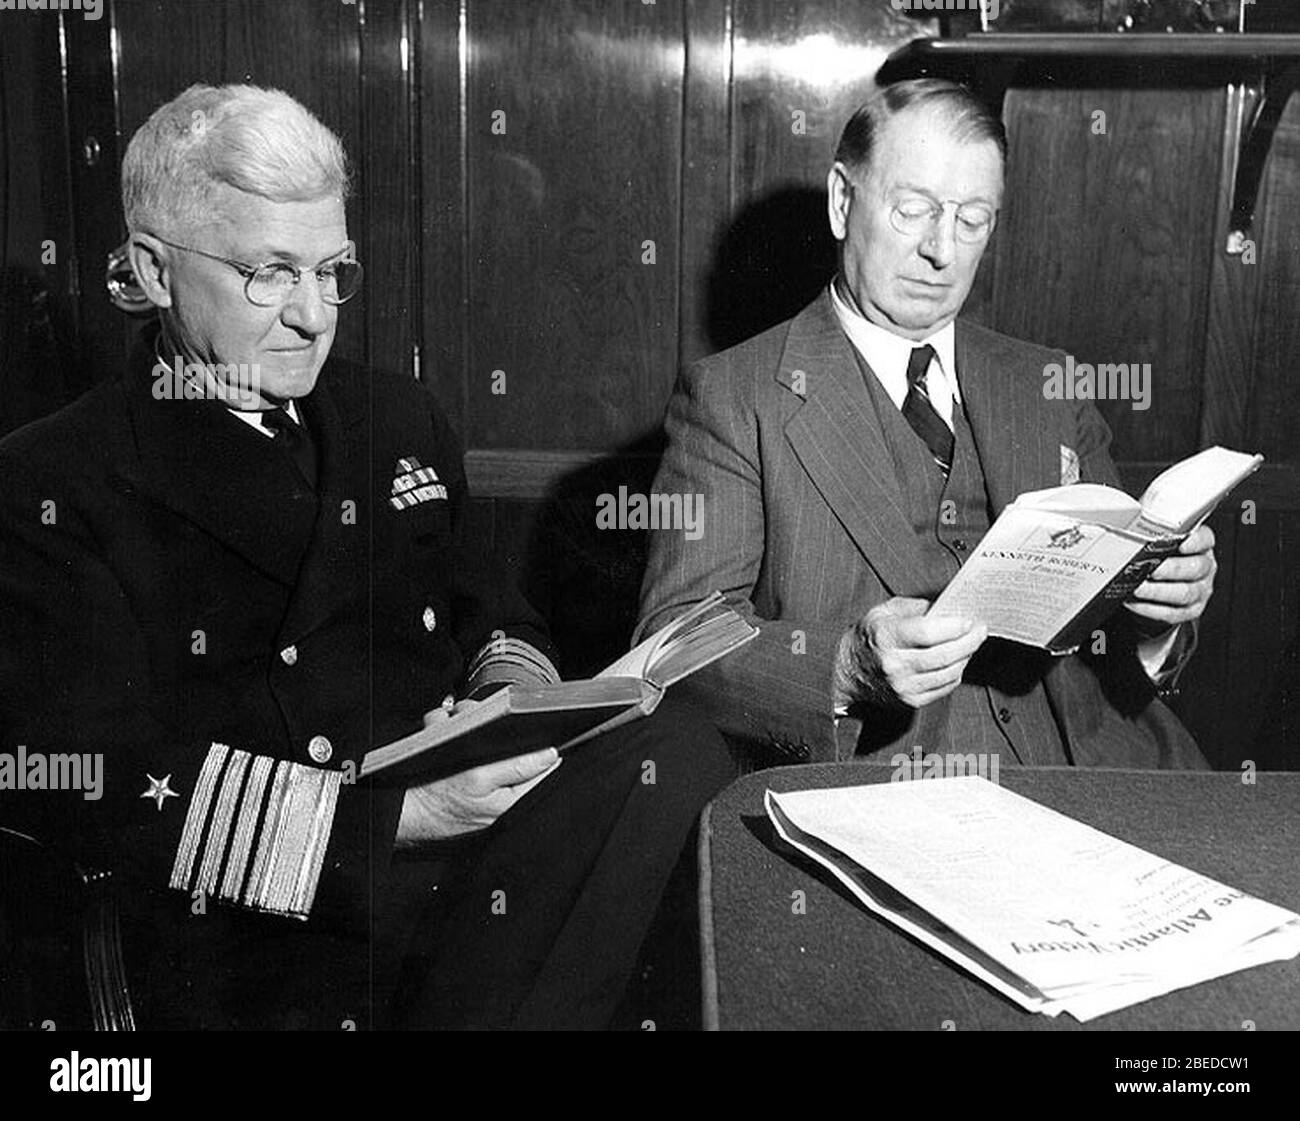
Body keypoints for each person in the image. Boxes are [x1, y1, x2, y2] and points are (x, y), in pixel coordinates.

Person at [0, 83, 734, 1030]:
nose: (313, 316)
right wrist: (407, 815)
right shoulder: (54, 481)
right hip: (275, 929)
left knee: (676, 749)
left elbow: (497, 617)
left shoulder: (395, 418)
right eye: (270, 274)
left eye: (332, 272)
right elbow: (114, 795)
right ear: (154, 268)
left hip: (470, 863)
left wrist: (502, 702)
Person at [637, 79, 1214, 771]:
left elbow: (1113, 637)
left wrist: (1157, 614)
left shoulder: (1048, 383)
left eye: (972, 219)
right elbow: (673, 645)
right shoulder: (733, 397)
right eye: (913, 209)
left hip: (1105, 772)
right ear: (842, 202)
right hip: (877, 796)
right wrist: (845, 664)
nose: (942, 251)